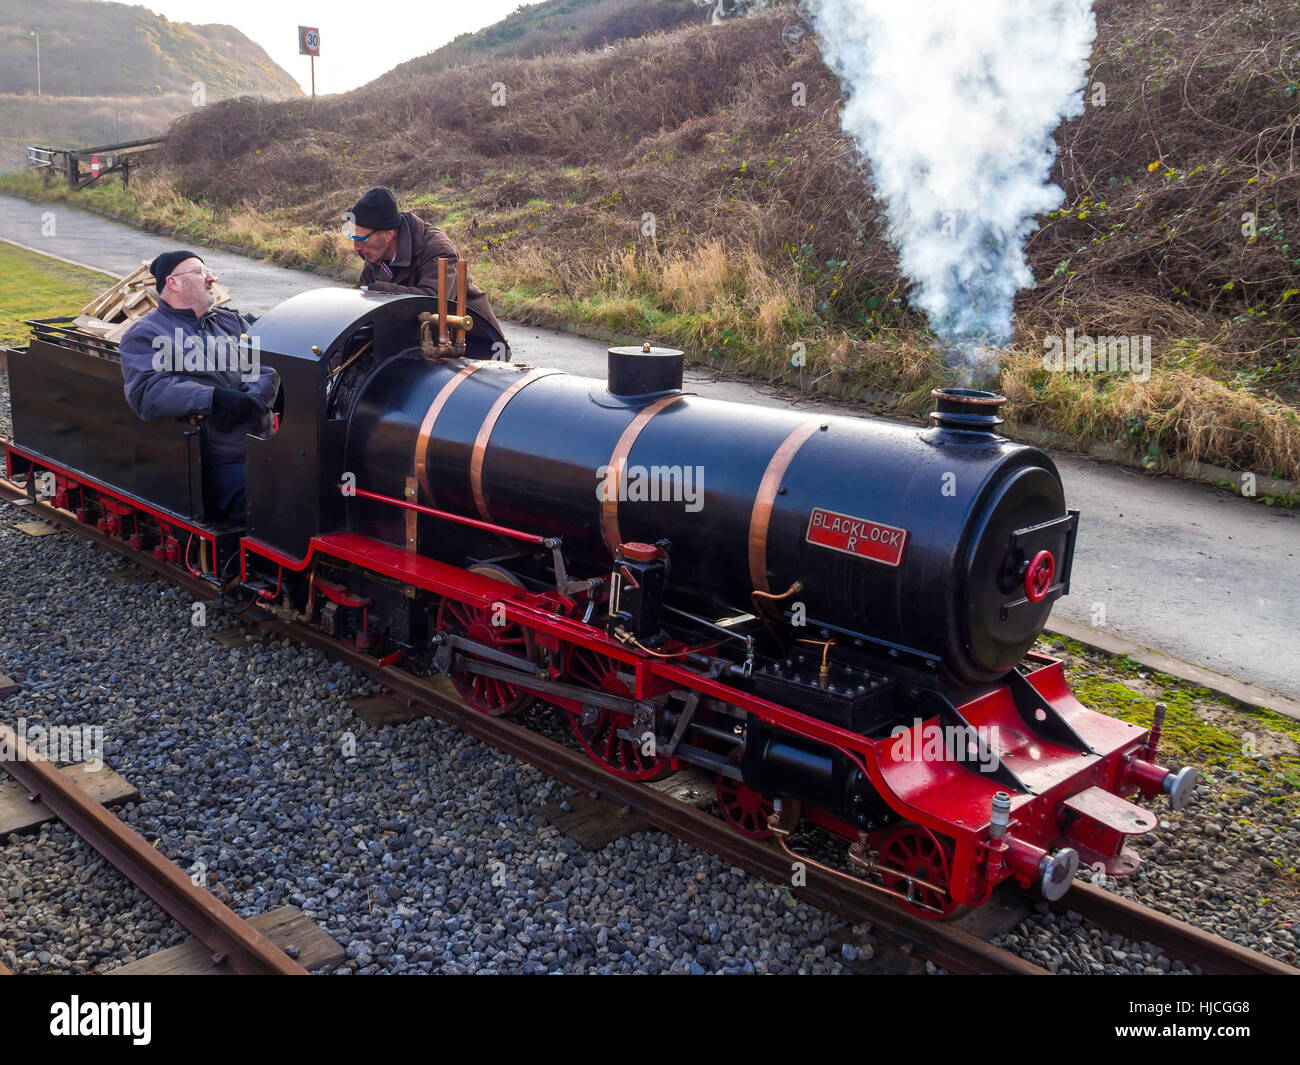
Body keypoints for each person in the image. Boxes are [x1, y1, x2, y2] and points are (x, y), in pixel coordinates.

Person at [119, 250, 279, 521]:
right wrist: (213, 398)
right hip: (211, 460)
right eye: (200, 272)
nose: (212, 278)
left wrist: (253, 399)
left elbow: (262, 368)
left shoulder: (230, 322)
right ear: (174, 283)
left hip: (261, 446)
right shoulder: (146, 334)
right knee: (272, 502)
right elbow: (148, 392)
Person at [345, 185, 508, 346]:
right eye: (353, 238)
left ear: (388, 235)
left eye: (362, 239)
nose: (356, 247)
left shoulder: (437, 250)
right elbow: (359, 309)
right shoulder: (375, 253)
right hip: (418, 342)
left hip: (473, 344)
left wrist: (377, 291)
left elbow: (433, 302)